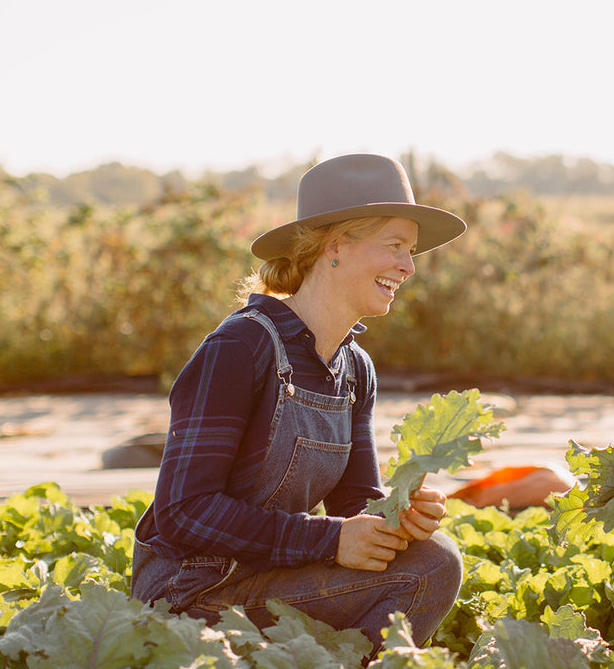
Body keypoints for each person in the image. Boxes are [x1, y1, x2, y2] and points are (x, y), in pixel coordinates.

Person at [131, 153, 467, 657]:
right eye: (395, 246)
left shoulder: (355, 368)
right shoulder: (240, 348)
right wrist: (330, 541)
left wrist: (398, 517)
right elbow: (183, 511)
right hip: (189, 592)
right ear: (335, 246)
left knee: (431, 557)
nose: (408, 266)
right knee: (435, 568)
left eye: (411, 250)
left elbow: (355, 503)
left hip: (268, 577)